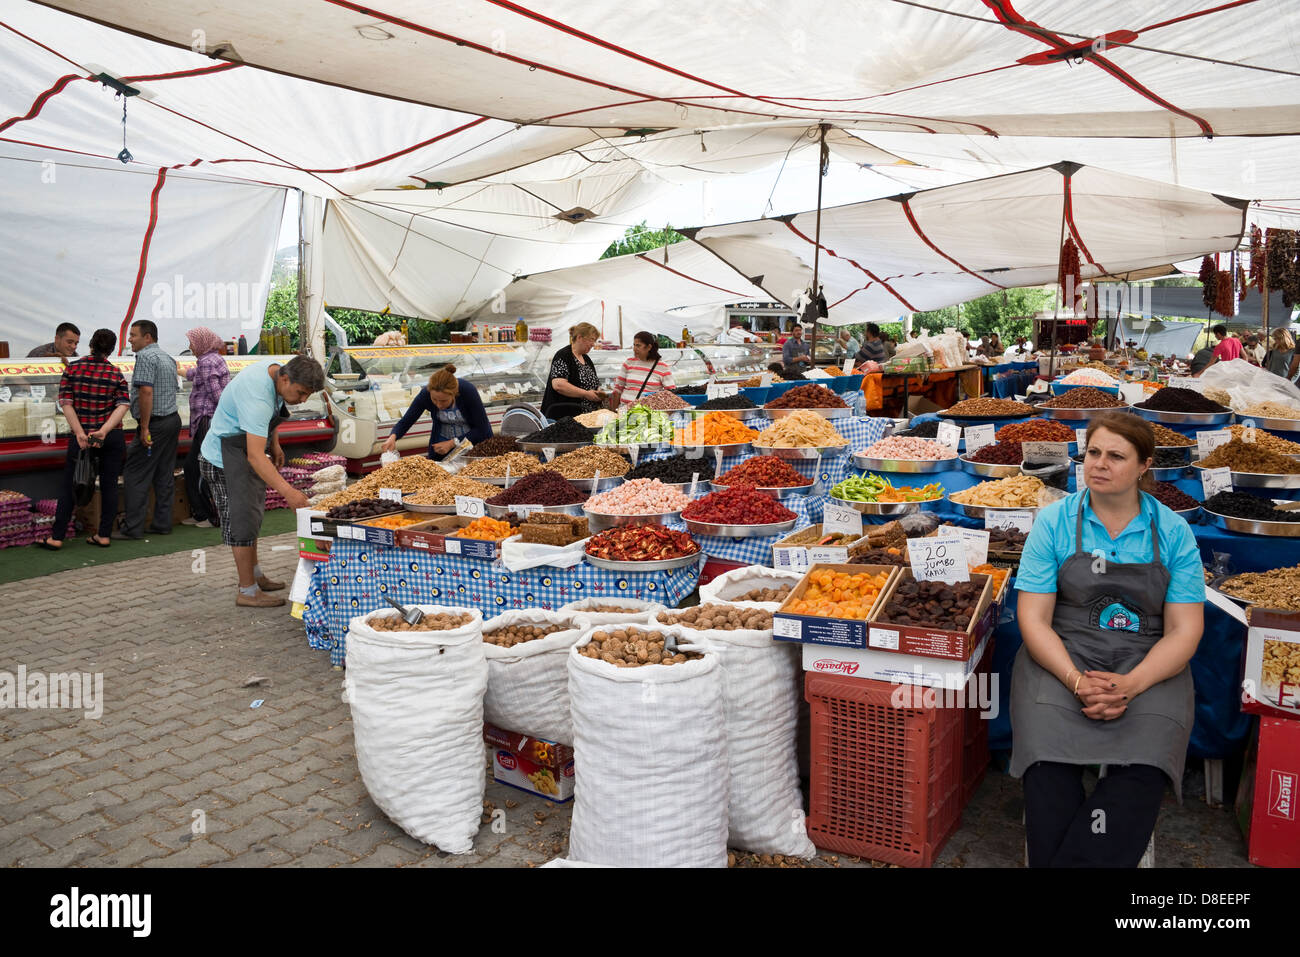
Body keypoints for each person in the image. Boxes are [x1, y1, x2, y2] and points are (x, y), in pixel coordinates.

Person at [1011, 411, 1204, 867]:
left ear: (1144, 466)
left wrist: (1131, 685)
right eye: (1093, 452)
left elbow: (1184, 629)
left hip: (1149, 661)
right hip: (1062, 657)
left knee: (1142, 769)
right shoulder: (1054, 521)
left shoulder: (1173, 532)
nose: (1099, 464)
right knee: (1048, 766)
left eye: (1116, 456)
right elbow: (1034, 619)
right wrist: (1077, 682)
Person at [198, 355, 325, 607]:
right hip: (223, 458)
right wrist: (289, 492)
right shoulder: (257, 395)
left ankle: (255, 576)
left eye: (308, 396)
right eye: (301, 393)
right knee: (241, 521)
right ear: (286, 379)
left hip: (242, 452)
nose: (302, 401)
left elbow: (269, 418)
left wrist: (275, 443)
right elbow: (256, 456)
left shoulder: (277, 373)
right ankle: (247, 591)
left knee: (252, 514)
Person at [39, 329, 130, 550]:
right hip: (110, 437)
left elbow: (66, 402)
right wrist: (105, 430)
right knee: (108, 486)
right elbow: (123, 405)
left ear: (91, 344)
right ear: (110, 349)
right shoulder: (115, 373)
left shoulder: (73, 368)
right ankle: (104, 534)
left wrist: (80, 432)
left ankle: (57, 537)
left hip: (81, 436)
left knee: (70, 486)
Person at [115, 320, 181, 539]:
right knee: (164, 474)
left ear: (148, 337)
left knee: (135, 473)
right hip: (172, 421)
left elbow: (145, 392)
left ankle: (133, 528)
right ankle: (162, 523)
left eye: (133, 335)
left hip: (155, 423)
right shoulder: (167, 358)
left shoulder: (145, 357)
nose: (130, 340)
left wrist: (144, 427)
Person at [381, 364, 491, 460]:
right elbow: (407, 420)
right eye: (434, 400)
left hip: (474, 450)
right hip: (441, 450)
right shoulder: (425, 393)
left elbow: (482, 429)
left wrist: (453, 443)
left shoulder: (467, 391)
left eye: (444, 401)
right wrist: (393, 437)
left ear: (454, 394)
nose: (438, 405)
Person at [180, 327, 230, 528]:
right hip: (208, 420)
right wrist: (182, 371)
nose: (190, 347)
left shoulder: (208, 361)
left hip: (207, 420)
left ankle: (211, 515)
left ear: (201, 343)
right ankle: (202, 513)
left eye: (192, 342)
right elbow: (198, 375)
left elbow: (217, 395)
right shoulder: (211, 359)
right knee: (194, 467)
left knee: (200, 468)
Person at [541, 322, 605, 420]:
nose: (593, 344)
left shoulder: (586, 358)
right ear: (579, 337)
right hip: (565, 417)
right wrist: (586, 394)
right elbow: (558, 385)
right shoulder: (563, 355)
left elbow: (592, 382)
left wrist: (598, 391)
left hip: (585, 418)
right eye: (591, 339)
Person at [610, 331, 676, 408]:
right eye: (634, 345)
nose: (635, 348)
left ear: (649, 347)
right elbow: (618, 389)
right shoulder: (629, 363)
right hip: (624, 410)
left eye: (638, 345)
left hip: (647, 412)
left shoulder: (662, 367)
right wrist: (614, 411)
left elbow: (671, 393)